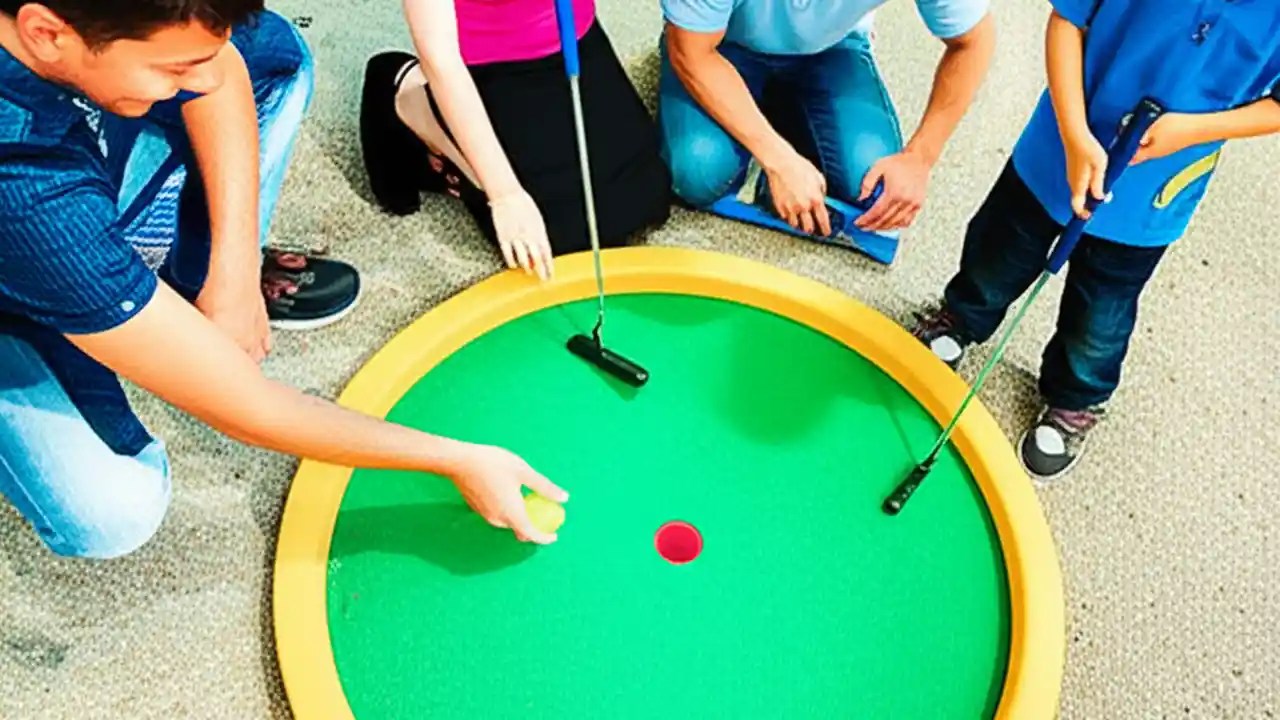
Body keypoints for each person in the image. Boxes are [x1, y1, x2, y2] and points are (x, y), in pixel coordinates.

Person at [0, 0, 566, 560]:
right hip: (28, 237)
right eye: (175, 69)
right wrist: (457, 459)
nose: (199, 77)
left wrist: (235, 271)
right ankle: (84, 296)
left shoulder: (96, 39)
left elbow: (223, 74)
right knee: (114, 508)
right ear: (46, 32)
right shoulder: (23, 187)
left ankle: (139, 281)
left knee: (273, 57)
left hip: (60, 187)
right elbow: (246, 403)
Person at [911, 0, 1280, 480]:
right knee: (1000, 250)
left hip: (1155, 186)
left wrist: (1193, 130)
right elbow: (1067, 19)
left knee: (1102, 308)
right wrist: (1073, 133)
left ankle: (1077, 397)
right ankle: (959, 319)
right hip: (1059, 139)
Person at [657, 0, 994, 265]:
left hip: (833, 47)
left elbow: (974, 41)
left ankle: (782, 115)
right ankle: (772, 127)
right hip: (721, 41)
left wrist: (919, 158)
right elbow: (693, 52)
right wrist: (780, 161)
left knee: (876, 194)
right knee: (697, 173)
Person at [359, 0, 672, 281]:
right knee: (558, 234)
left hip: (571, 36)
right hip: (484, 61)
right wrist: (504, 194)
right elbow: (440, 57)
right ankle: (409, 102)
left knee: (642, 196)